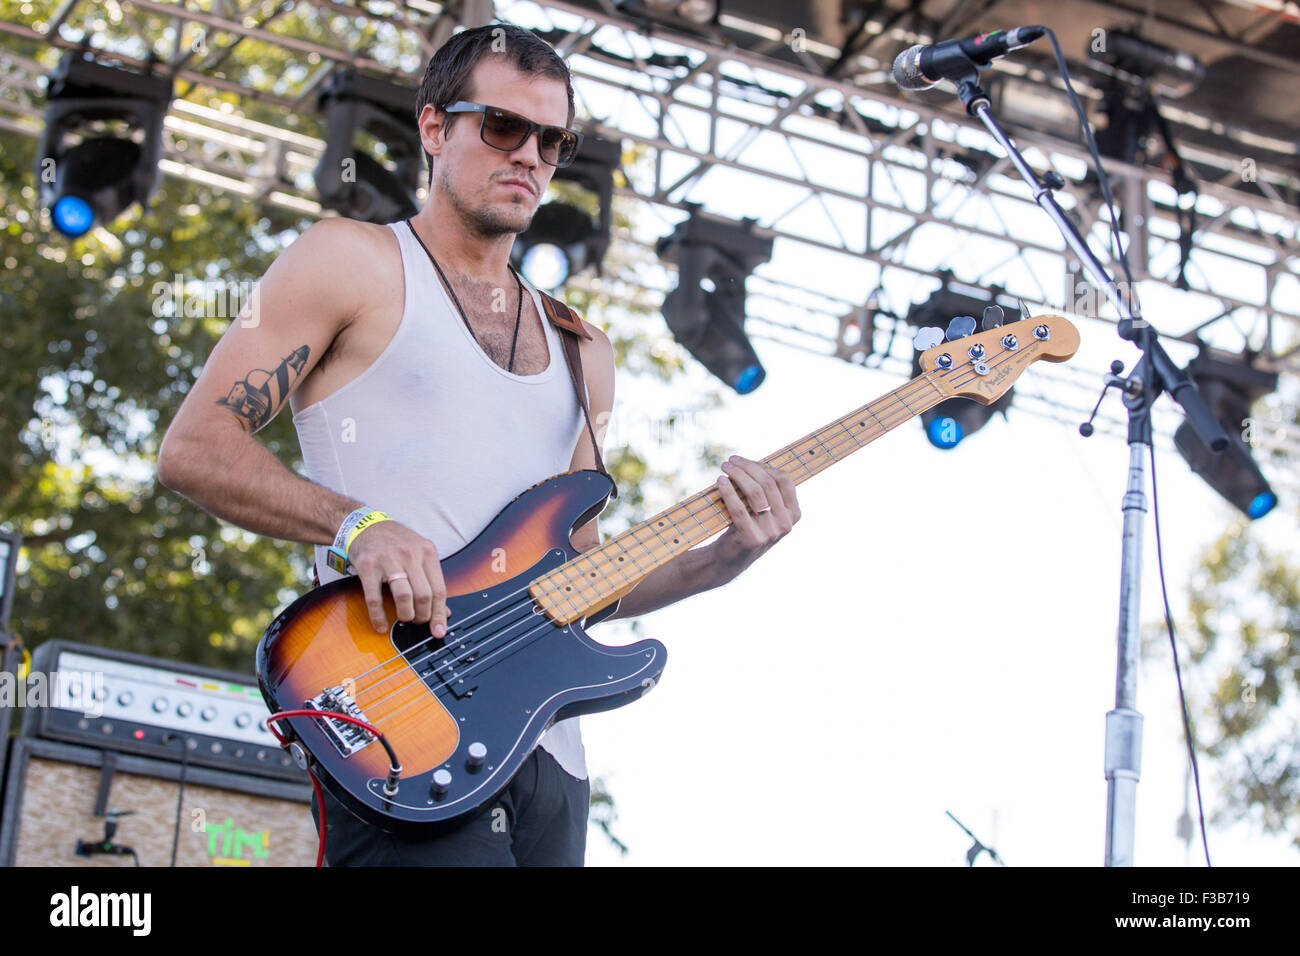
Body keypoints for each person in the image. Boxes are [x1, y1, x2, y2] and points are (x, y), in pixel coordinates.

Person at [156, 22, 802, 866]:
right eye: (502, 127)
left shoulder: (585, 351)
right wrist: (359, 525)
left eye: (553, 139)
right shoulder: (349, 260)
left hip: (549, 754)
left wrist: (720, 561)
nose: (530, 155)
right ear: (433, 128)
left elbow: (583, 581)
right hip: (399, 718)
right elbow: (194, 447)